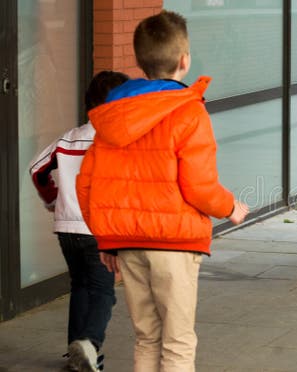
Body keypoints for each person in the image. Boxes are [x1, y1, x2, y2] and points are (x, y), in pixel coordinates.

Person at [76, 10, 249, 371]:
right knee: (178, 341)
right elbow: (198, 185)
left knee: (147, 337)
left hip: (129, 243)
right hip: (175, 242)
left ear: (140, 61)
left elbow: (88, 182)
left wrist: (107, 238)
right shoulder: (189, 111)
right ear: (184, 60)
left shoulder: (112, 112)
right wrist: (230, 206)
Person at [29, 70, 128, 372]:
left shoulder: (68, 139)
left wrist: (52, 199)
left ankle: (79, 355)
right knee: (103, 291)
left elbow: (37, 169)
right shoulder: (116, 143)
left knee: (81, 287)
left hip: (66, 228)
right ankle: (89, 343)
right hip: (97, 230)